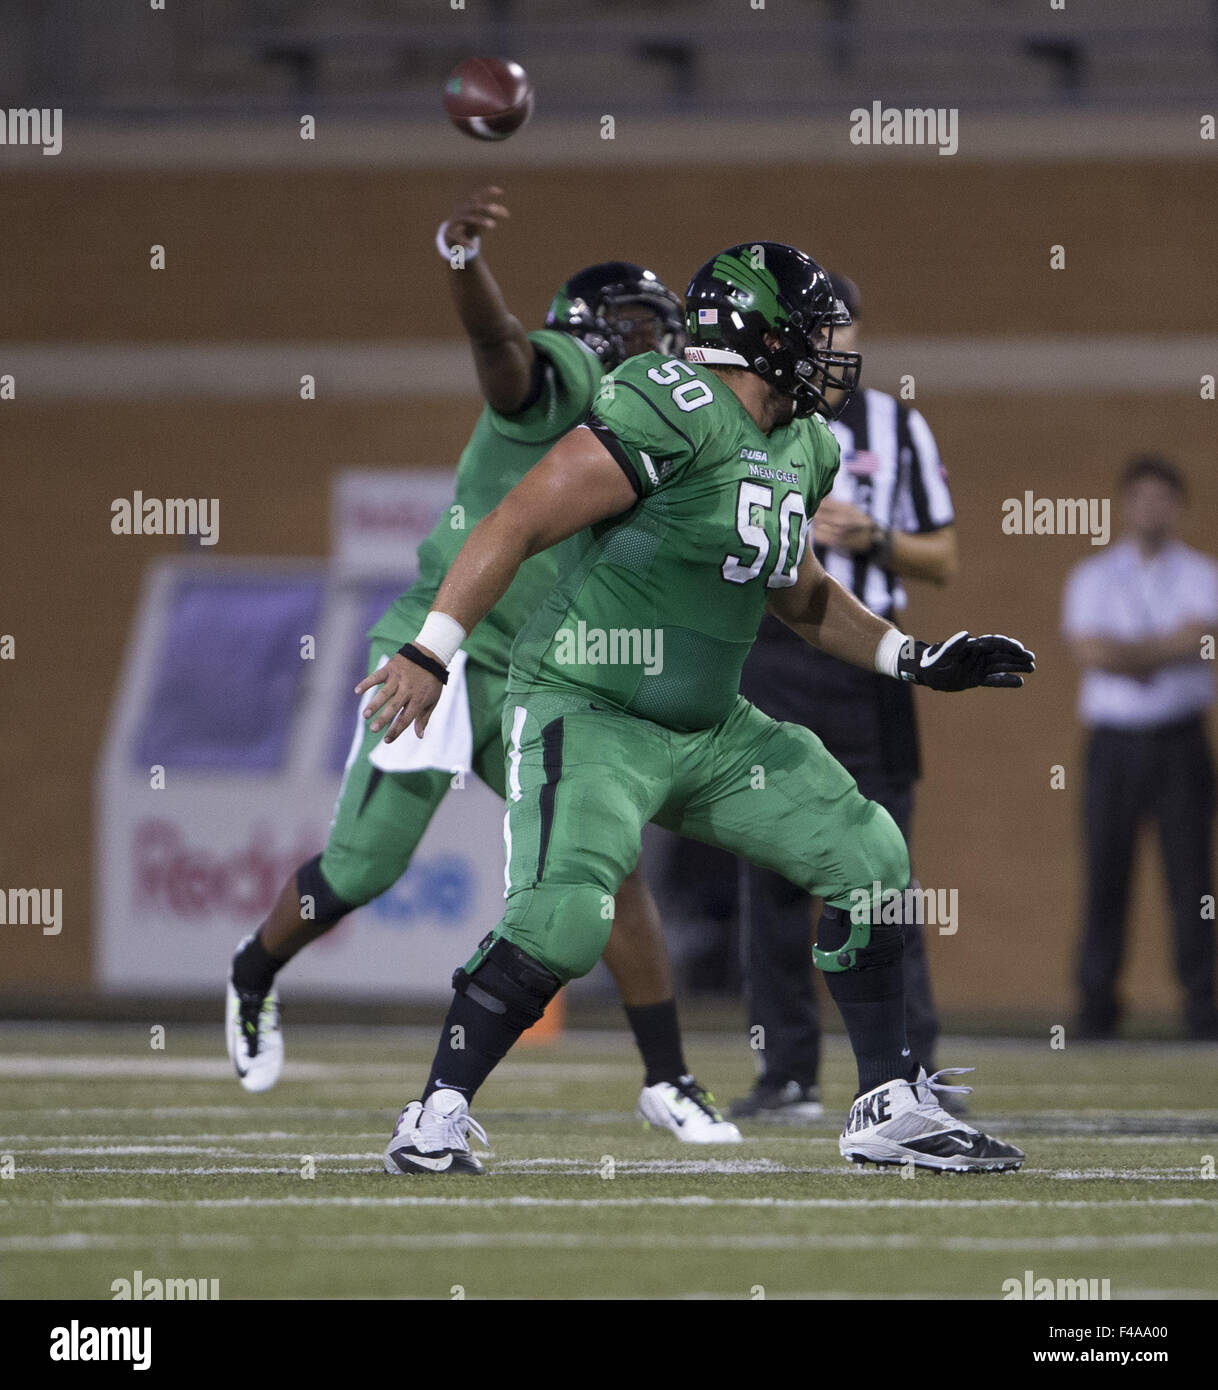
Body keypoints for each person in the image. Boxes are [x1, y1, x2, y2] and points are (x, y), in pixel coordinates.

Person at [359, 242, 1035, 1176]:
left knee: (869, 853)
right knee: (564, 920)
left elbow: (799, 594)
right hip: (588, 703)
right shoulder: (670, 407)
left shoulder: (804, 441)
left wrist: (915, 658)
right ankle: (433, 1114)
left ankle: (889, 1104)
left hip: (711, 728)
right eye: (808, 333)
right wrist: (430, 651)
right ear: (752, 336)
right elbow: (514, 520)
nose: (831, 353)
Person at [226, 185, 742, 1143]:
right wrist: (465, 266)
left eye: (662, 330)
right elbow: (500, 353)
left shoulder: (663, 428)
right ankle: (253, 970)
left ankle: (667, 1076)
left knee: (607, 867)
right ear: (587, 332)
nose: (654, 346)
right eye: (636, 326)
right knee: (360, 869)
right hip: (442, 652)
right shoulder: (559, 379)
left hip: (541, 675)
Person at [730, 271, 958, 1121]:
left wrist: (874, 537)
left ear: (860, 330)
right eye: (812, 325)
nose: (828, 342)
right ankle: (785, 1072)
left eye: (840, 325)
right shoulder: (752, 412)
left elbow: (943, 558)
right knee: (772, 877)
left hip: (867, 659)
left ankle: (911, 1070)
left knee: (887, 869)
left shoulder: (897, 425)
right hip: (776, 651)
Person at [1062, 454, 1218, 1040]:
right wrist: (1159, 651)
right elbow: (1089, 650)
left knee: (1190, 877)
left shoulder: (1204, 573)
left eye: (1163, 499)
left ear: (1177, 508)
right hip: (1114, 745)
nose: (1152, 509)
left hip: (1180, 743)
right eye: (1141, 498)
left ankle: (1202, 1010)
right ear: (1126, 505)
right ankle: (1097, 1008)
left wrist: (1128, 655)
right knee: (1105, 872)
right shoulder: (1092, 576)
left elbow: (1199, 639)